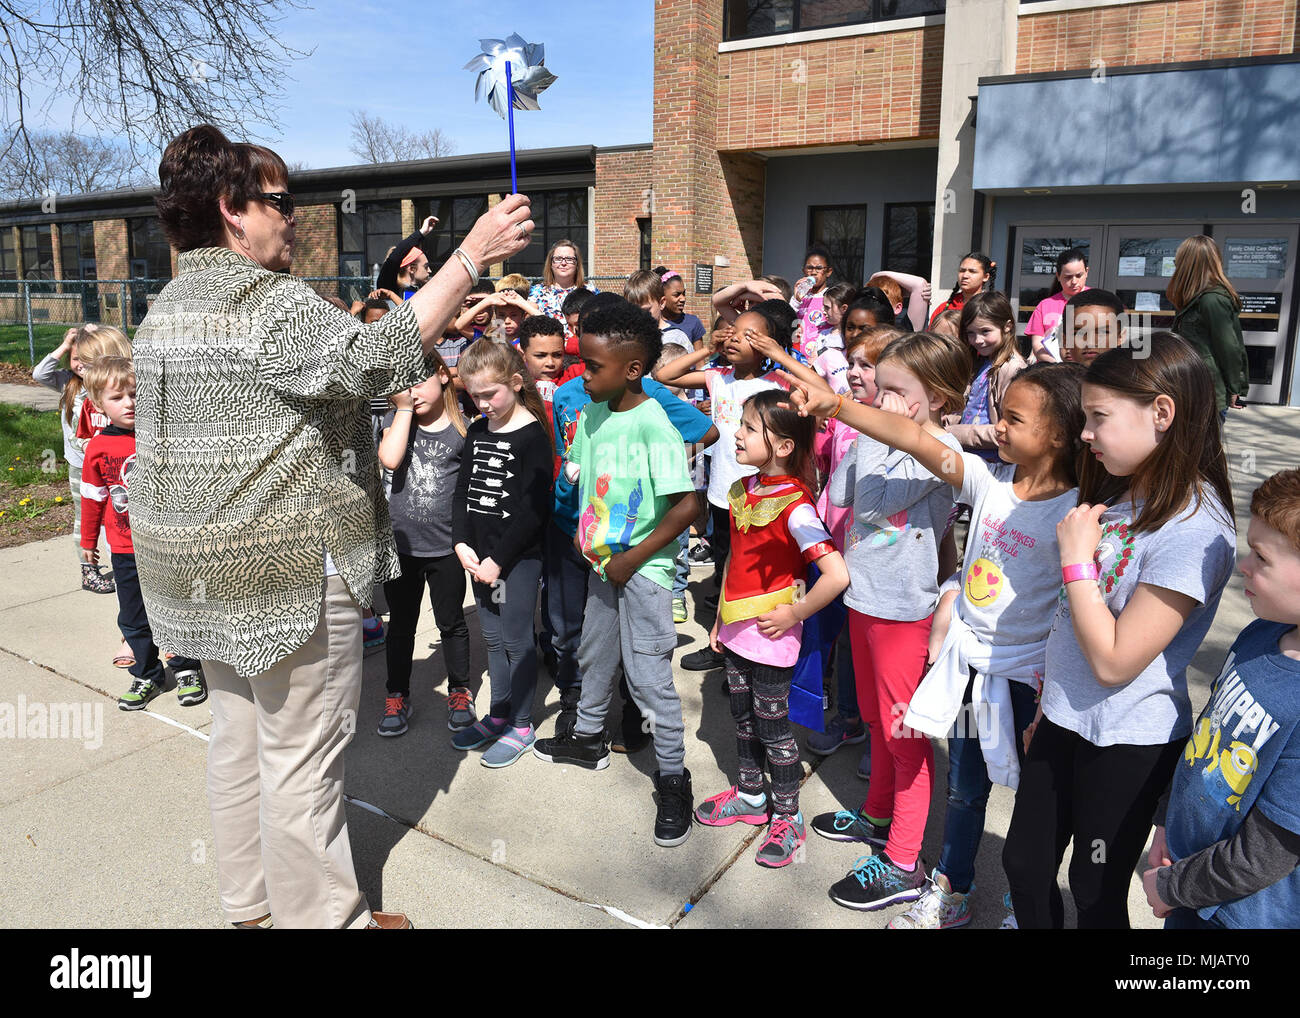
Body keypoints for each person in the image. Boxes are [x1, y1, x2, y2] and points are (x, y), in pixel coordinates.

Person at [132, 123, 533, 929]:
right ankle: (326, 921)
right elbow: (378, 360)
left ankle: (251, 906)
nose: (296, 218)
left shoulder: (169, 306)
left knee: (239, 743)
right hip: (283, 572)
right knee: (303, 760)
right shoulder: (264, 301)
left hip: (196, 575)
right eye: (282, 201)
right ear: (232, 210)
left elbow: (345, 362)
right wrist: (470, 256)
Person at [1001, 333, 1237, 929]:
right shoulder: (1122, 488)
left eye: (1099, 418)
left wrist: (1077, 563)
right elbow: (1068, 621)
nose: (1085, 434)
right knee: (1024, 863)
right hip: (1061, 721)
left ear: (1162, 413)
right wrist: (1046, 703)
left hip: (1128, 743)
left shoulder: (1196, 529)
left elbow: (1113, 661)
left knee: (1095, 886)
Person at [838, 362, 1086, 929]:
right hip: (972, 671)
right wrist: (838, 408)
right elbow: (914, 439)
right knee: (965, 790)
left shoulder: (1075, 511)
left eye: (1014, 419)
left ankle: (1025, 904)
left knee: (1034, 803)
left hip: (1028, 683)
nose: (998, 427)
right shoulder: (986, 480)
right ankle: (952, 886)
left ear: (1056, 435)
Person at [795, 332, 969, 911]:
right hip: (863, 602)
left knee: (905, 740)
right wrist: (871, 427)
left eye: (898, 390)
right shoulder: (876, 439)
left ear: (939, 397)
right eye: (880, 386)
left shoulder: (942, 451)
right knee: (874, 722)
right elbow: (843, 489)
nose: (881, 398)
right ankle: (875, 814)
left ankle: (901, 862)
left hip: (903, 615)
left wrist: (869, 427)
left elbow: (869, 505)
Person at [532, 301, 701, 848]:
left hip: (643, 570)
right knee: (593, 655)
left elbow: (687, 507)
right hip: (603, 566)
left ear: (632, 368)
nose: (583, 373)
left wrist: (631, 558)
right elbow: (582, 475)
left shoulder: (654, 424)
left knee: (649, 676)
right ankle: (586, 738)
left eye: (594, 366)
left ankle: (674, 778)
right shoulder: (593, 415)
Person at [695, 390, 848, 866]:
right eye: (739, 425)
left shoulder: (796, 507)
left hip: (773, 636)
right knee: (741, 719)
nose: (735, 434)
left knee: (773, 728)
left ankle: (788, 817)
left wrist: (795, 614)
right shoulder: (743, 490)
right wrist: (719, 622)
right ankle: (751, 795)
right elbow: (734, 565)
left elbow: (837, 575)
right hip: (737, 631)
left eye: (746, 427)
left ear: (783, 446)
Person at [1145, 468, 1300, 930]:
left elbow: (1265, 854)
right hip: (1188, 882)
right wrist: (1165, 823)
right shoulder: (1259, 635)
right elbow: (1206, 740)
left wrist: (1171, 888)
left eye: (1262, 557)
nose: (1243, 564)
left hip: (1241, 916)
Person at [655, 301, 792, 671]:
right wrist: (707, 349)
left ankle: (748, 647)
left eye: (749, 335)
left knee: (755, 571)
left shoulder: (777, 383)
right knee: (726, 567)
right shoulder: (718, 377)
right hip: (721, 496)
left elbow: (817, 386)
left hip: (764, 497)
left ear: (767, 342)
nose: (734, 340)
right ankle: (726, 643)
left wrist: (779, 355)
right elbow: (665, 375)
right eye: (732, 332)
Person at [78, 356, 207, 711]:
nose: (129, 403)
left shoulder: (160, 437)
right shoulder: (99, 448)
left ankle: (186, 668)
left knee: (176, 608)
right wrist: (88, 544)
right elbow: (92, 500)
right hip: (124, 548)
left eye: (135, 394)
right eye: (117, 398)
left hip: (165, 546)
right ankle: (147, 673)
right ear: (97, 403)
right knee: (133, 616)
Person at [450, 340, 554, 767]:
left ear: (515, 382)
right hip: (479, 557)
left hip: (517, 560)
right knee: (491, 638)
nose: (482, 403)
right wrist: (461, 543)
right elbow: (461, 494)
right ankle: (499, 712)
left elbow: (534, 510)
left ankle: (523, 723)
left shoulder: (533, 436)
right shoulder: (476, 430)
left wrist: (499, 560)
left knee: (516, 640)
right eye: (474, 395)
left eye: (490, 393)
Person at [806, 325, 902, 766]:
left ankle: (879, 731)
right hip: (839, 544)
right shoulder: (852, 420)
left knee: (882, 655)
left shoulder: (908, 434)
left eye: (868, 365)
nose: (855, 373)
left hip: (884, 560)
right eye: (852, 364)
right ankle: (850, 719)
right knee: (845, 640)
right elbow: (838, 488)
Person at [375, 352, 471, 739]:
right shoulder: (396, 422)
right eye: (405, 383)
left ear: (443, 377)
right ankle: (396, 694)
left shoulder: (464, 428)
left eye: (420, 380)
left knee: (452, 623)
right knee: (401, 625)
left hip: (446, 548)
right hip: (403, 546)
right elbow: (391, 460)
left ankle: (460, 691)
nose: (413, 392)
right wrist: (402, 412)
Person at [33, 323, 132, 595]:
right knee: (88, 516)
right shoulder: (71, 385)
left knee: (116, 518)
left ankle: (124, 568)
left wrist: (101, 334)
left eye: (89, 361)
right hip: (83, 465)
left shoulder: (122, 388)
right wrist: (66, 345)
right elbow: (40, 373)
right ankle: (88, 569)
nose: (83, 367)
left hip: (117, 468)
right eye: (78, 360)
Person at [1168, 235, 1249, 417]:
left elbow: (1229, 348)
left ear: (1188, 265)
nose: (1176, 266)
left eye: (1178, 261)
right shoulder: (1193, 299)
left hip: (1207, 391)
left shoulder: (1212, 300)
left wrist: (1235, 388)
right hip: (1189, 387)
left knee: (1204, 445)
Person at [945, 292, 1025, 461]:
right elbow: (974, 410)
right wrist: (948, 421)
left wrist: (957, 433)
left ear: (1007, 326)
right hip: (971, 457)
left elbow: (1009, 429)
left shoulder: (1012, 368)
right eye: (971, 333)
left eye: (985, 331)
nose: (977, 340)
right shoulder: (983, 362)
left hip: (994, 463)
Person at [529, 239, 598, 353]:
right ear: (551, 264)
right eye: (558, 259)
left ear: (577, 264)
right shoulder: (536, 292)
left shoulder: (590, 291)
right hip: (548, 352)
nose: (563, 263)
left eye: (569, 259)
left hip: (583, 352)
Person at [1027, 247, 1090, 363]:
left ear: (1087, 272)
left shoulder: (1098, 300)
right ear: (1058, 276)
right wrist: (1056, 364)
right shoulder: (1045, 305)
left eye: (1079, 275)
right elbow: (1037, 346)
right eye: (1068, 277)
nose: (1074, 281)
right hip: (1052, 372)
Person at [1058, 288, 1128, 365]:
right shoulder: (1050, 376)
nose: (1090, 342)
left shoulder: (1136, 376)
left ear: (1121, 337)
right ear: (1065, 340)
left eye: (1103, 332)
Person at [929, 252, 994, 326]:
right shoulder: (944, 308)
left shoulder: (993, 307)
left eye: (972, 271)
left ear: (985, 277)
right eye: (962, 271)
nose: (965, 275)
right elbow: (931, 337)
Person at [653, 266, 706, 345]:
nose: (683, 299)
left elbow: (700, 355)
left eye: (684, 294)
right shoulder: (652, 324)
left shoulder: (693, 322)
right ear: (662, 297)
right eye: (676, 295)